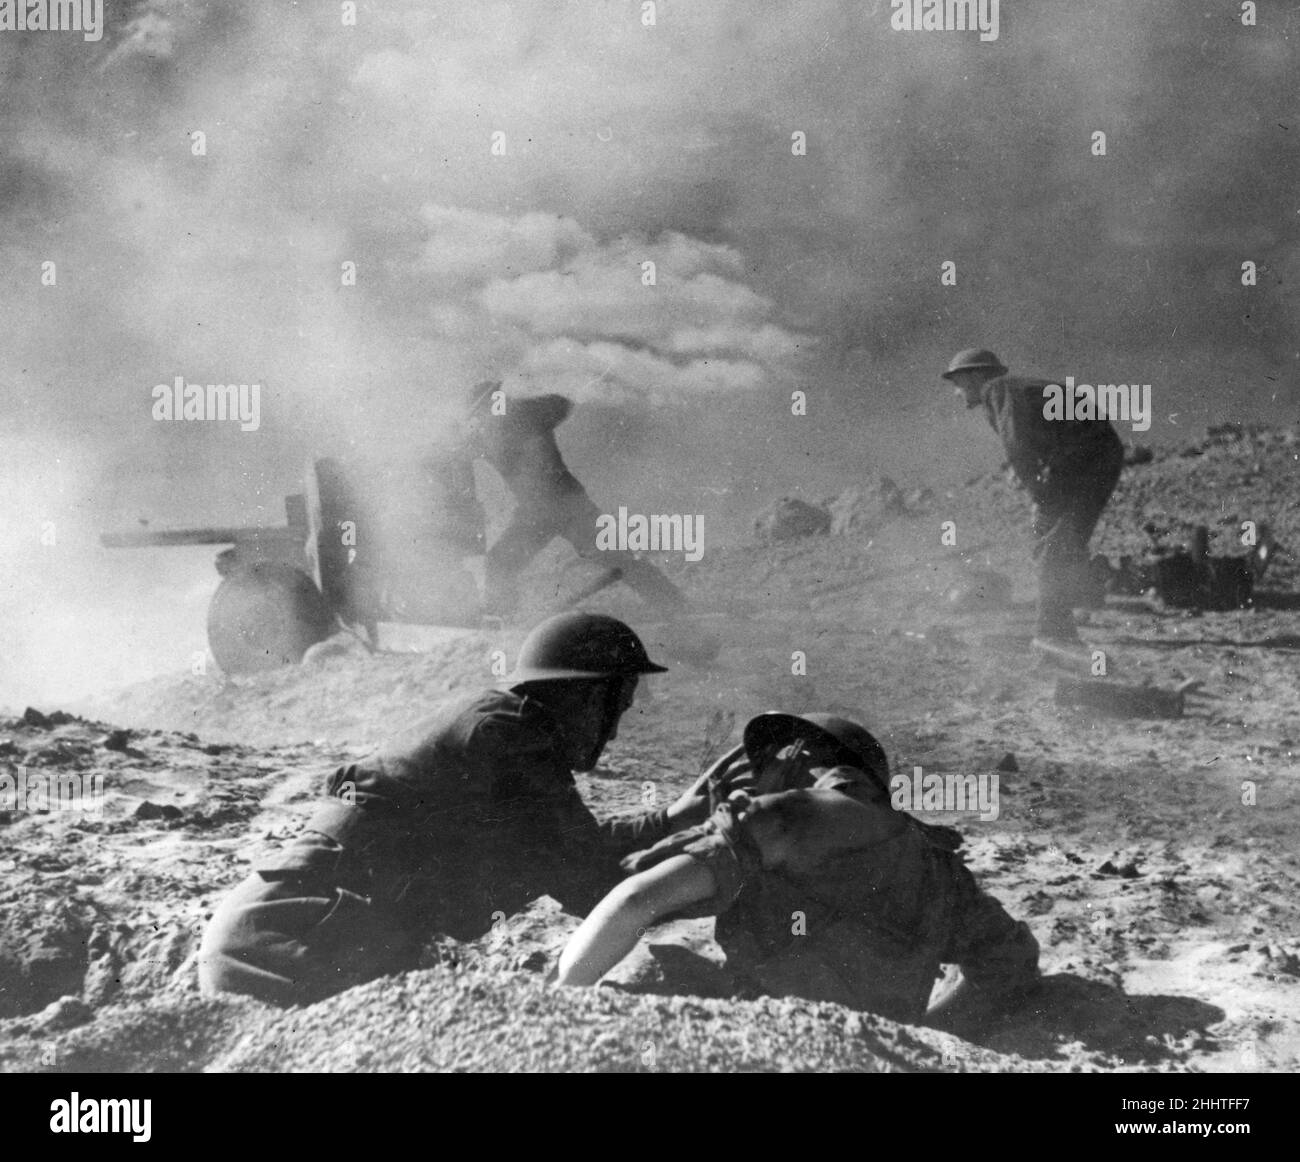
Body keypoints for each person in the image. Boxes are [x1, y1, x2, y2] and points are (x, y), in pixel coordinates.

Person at [198, 612, 711, 1006]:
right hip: (286, 948)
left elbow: (570, 847)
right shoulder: (508, 736)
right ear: (583, 695)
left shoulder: (498, 723)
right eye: (614, 709)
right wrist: (726, 860)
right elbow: (585, 879)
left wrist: (673, 820)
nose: (615, 731)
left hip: (282, 937)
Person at [555, 711, 1041, 1031]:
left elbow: (636, 901)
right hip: (873, 1048)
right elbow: (1010, 960)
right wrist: (924, 1036)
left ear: (798, 758)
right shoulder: (934, 862)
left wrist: (554, 1007)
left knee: (650, 969)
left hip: (765, 1039)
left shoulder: (779, 819)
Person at [942, 349, 1125, 655]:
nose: (957, 392)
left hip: (1085, 461)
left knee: (1054, 542)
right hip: (1094, 457)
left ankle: (1053, 631)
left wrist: (1040, 494)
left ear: (975, 376)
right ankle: (1068, 609)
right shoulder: (1013, 390)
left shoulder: (997, 390)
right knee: (1060, 538)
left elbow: (1017, 443)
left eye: (958, 383)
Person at [463, 380, 687, 618]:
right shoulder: (485, 438)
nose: (490, 410)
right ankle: (502, 618)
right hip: (534, 513)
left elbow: (561, 403)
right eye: (484, 408)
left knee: (621, 559)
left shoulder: (527, 415)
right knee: (499, 561)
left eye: (494, 401)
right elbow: (450, 451)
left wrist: (522, 408)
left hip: (570, 506)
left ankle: (678, 610)